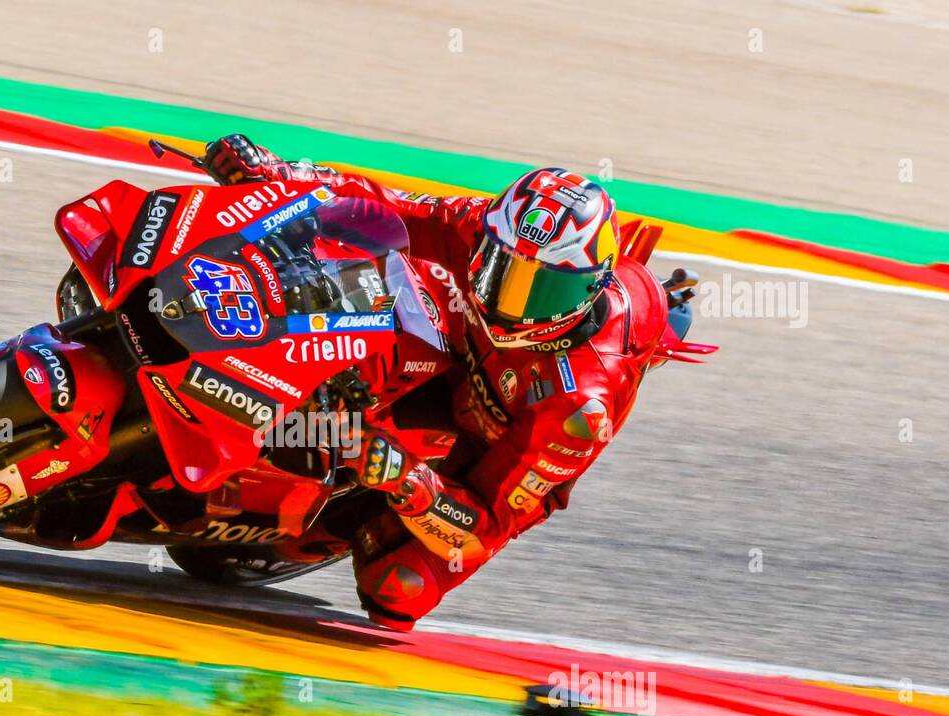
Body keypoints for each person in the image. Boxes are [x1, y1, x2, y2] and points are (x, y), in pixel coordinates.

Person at [203, 134, 679, 631]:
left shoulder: (581, 405)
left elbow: (483, 529)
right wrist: (281, 171)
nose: (506, 300)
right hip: (460, 353)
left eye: (538, 288)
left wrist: (407, 479)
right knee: (363, 276)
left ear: (586, 290)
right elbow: (383, 207)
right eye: (501, 270)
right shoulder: (489, 229)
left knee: (396, 588)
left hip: (492, 445)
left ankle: (333, 525)